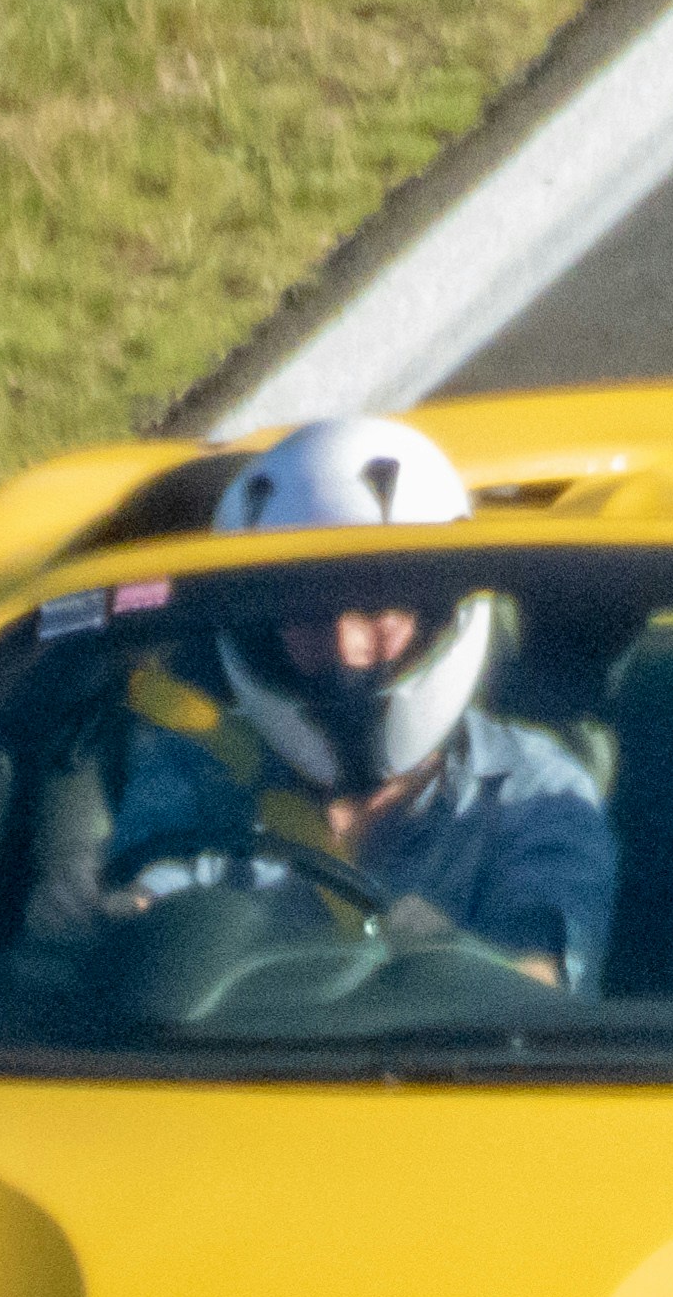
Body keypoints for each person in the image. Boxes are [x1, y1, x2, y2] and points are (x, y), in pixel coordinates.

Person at [31, 416, 616, 988]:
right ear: (262, 636)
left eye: (376, 606)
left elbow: (543, 993)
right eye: (306, 615)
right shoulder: (200, 766)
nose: (347, 648)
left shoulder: (536, 793)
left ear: (440, 614)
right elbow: (154, 889)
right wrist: (95, 915)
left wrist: (455, 963)